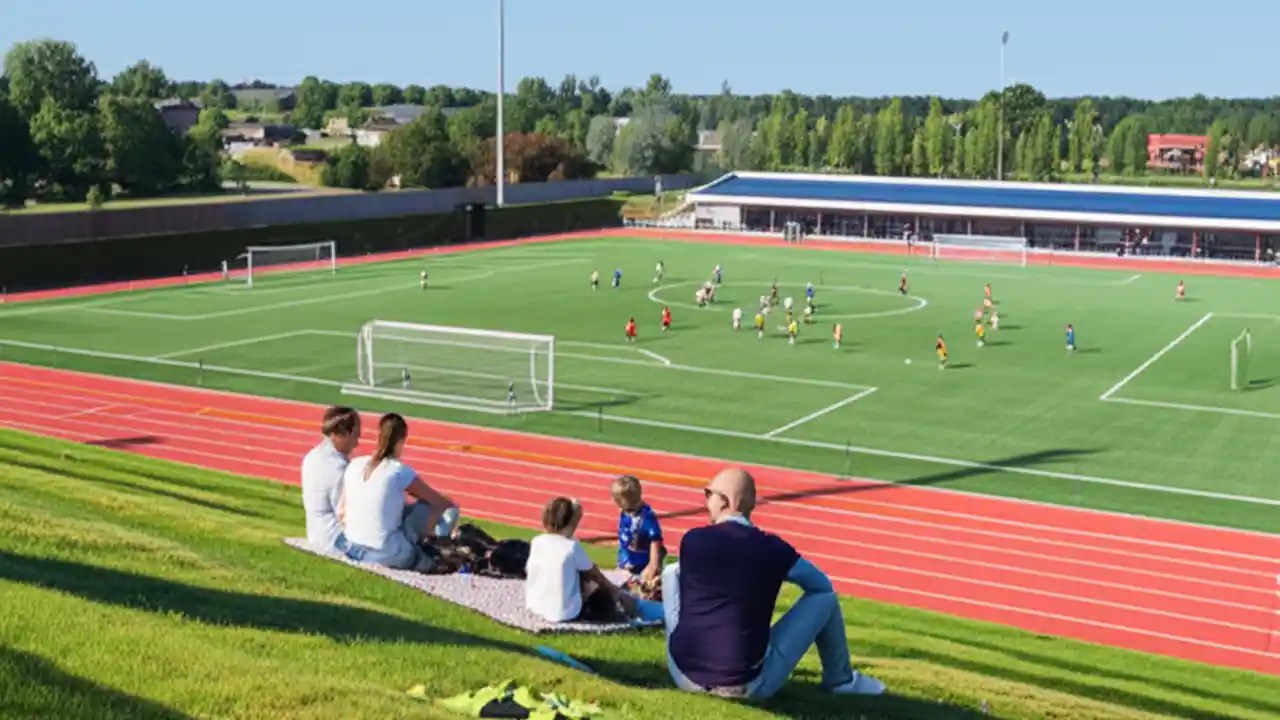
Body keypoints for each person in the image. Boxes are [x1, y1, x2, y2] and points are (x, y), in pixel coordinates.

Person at [662, 468, 885, 699]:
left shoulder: (693, 539)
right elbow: (820, 585)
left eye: (709, 494)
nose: (707, 500)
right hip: (746, 685)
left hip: (683, 674)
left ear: (725, 501)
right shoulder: (773, 549)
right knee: (825, 598)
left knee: (671, 572)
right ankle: (840, 680)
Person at [339, 413, 459, 571]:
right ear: (401, 442)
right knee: (442, 508)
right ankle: (432, 548)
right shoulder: (398, 471)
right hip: (388, 552)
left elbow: (341, 512)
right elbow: (439, 501)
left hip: (352, 546)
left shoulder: (354, 465)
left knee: (400, 510)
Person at [525, 497, 638, 623]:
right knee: (603, 595)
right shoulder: (571, 547)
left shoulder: (537, 541)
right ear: (572, 522)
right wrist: (615, 591)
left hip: (535, 604)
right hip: (564, 612)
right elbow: (595, 576)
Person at [301, 406, 361, 553]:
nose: (357, 443)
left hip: (316, 533)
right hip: (335, 540)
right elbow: (347, 513)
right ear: (344, 434)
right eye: (355, 436)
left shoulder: (312, 456)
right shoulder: (337, 468)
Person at [611, 475, 666, 587]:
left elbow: (655, 541)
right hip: (626, 562)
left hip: (642, 565)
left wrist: (653, 565)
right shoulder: (626, 513)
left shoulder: (646, 517)